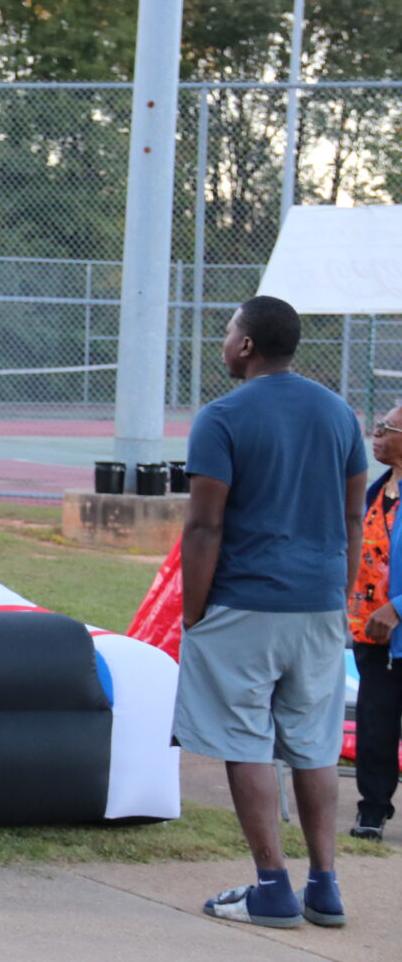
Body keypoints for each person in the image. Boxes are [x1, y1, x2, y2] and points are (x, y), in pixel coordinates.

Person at [176, 295, 366, 929]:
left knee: (245, 742)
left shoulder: (222, 417)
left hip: (245, 601)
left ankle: (271, 887)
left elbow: (205, 525)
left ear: (248, 346)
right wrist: (336, 596)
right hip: (318, 604)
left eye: (229, 331)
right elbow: (351, 516)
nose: (224, 341)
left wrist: (193, 612)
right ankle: (326, 886)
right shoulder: (340, 413)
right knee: (314, 748)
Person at [346, 401, 402, 842]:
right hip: (371, 631)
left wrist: (399, 606)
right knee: (375, 720)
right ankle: (373, 809)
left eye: (385, 428)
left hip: (396, 622)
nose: (376, 435)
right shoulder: (375, 490)